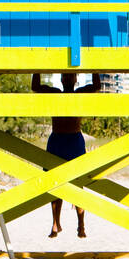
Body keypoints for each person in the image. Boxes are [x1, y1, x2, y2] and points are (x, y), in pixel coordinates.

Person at [31, 73, 100, 238]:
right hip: (57, 140)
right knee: (55, 183)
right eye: (65, 76)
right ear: (61, 79)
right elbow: (35, 87)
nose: (68, 78)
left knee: (78, 184)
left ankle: (81, 224)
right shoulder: (55, 93)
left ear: (76, 79)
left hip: (74, 140)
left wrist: (93, 67)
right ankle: (56, 223)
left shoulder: (80, 93)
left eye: (71, 76)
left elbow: (96, 85)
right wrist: (38, 68)